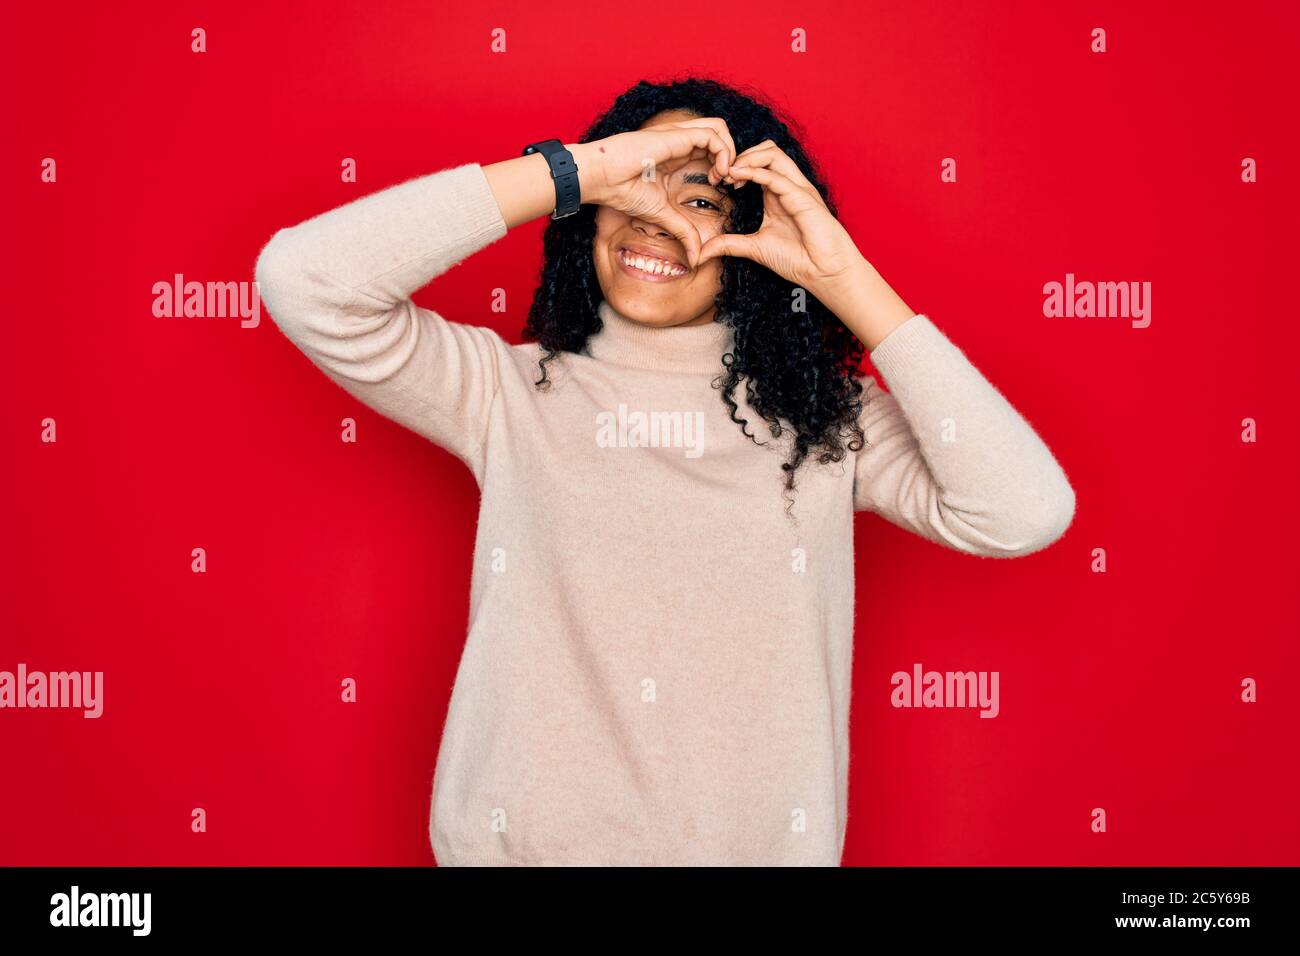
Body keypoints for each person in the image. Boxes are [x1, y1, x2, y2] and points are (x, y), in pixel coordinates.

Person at [254, 76, 1076, 866]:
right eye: (636, 185)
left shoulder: (828, 421)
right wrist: (574, 169)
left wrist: (842, 278)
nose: (655, 221)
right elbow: (306, 281)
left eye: (699, 200)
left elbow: (1022, 511)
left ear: (757, 238)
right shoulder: (506, 389)